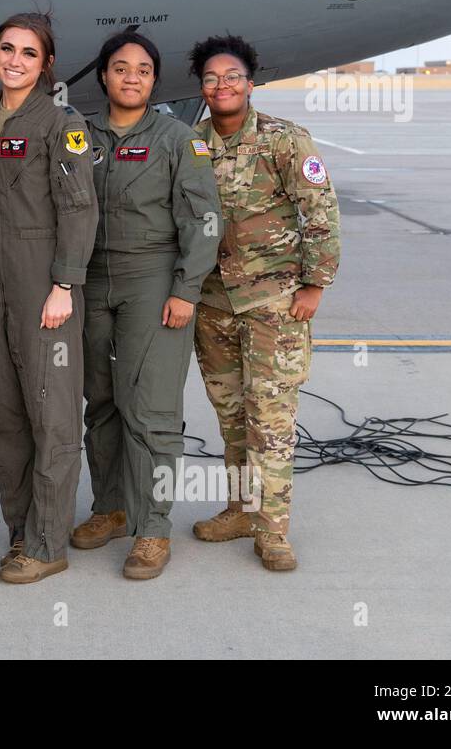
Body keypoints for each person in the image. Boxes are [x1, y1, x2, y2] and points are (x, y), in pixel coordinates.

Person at [187, 34, 341, 571]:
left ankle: (273, 531)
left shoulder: (284, 140)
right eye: (211, 78)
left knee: (270, 419)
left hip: (274, 302)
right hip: (212, 303)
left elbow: (319, 212)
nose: (221, 85)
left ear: (250, 84)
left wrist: (315, 285)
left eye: (232, 76)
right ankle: (239, 510)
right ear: (201, 88)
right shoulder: (192, 143)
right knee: (231, 418)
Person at [72, 29, 221, 579]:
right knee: (102, 402)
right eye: (120, 67)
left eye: (142, 69)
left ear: (154, 80)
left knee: (153, 411)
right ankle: (109, 508)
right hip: (91, 281)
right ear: (103, 76)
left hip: (153, 281)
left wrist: (185, 290)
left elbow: (204, 220)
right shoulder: (80, 135)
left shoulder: (178, 139)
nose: (130, 77)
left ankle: (153, 527)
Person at [0, 12, 98, 584]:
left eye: (27, 52)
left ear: (46, 65)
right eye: (6, 49)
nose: (14, 60)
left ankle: (48, 543)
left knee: (52, 415)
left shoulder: (63, 124)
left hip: (44, 280)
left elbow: (78, 207)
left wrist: (65, 284)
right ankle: (20, 528)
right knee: (3, 415)